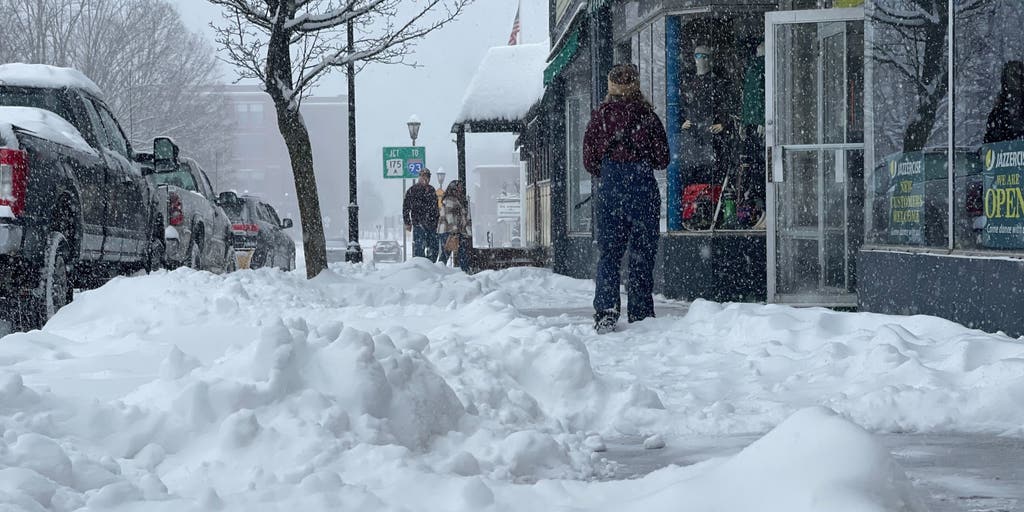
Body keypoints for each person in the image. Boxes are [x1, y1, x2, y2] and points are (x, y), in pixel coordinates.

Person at [583, 63, 670, 334]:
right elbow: (662, 159)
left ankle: (607, 311)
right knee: (642, 253)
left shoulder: (600, 118)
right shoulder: (647, 117)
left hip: (611, 191)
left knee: (609, 254)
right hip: (643, 190)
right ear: (635, 86)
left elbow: (589, 161)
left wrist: (610, 168)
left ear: (611, 88)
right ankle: (641, 311)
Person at [984, 61, 1024, 144]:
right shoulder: (998, 111)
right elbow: (990, 141)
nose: (1014, 80)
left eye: (1018, 76)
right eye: (1012, 75)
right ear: (1005, 80)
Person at [403, 168, 439, 260]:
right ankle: (421, 267)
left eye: (427, 176)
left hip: (432, 224)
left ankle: (431, 265)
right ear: (419, 177)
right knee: (419, 248)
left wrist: (436, 220)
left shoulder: (431, 190)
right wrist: (407, 222)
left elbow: (435, 208)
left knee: (434, 248)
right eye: (423, 176)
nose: (425, 178)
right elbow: (406, 207)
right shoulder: (413, 190)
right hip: (418, 223)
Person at [437, 179, 471, 272]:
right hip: (448, 230)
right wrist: (454, 229)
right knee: (447, 251)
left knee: (454, 251)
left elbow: (464, 217)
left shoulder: (458, 200)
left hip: (456, 230)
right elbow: (449, 215)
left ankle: (464, 269)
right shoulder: (449, 199)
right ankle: (439, 271)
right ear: (454, 189)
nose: (460, 189)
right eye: (459, 187)